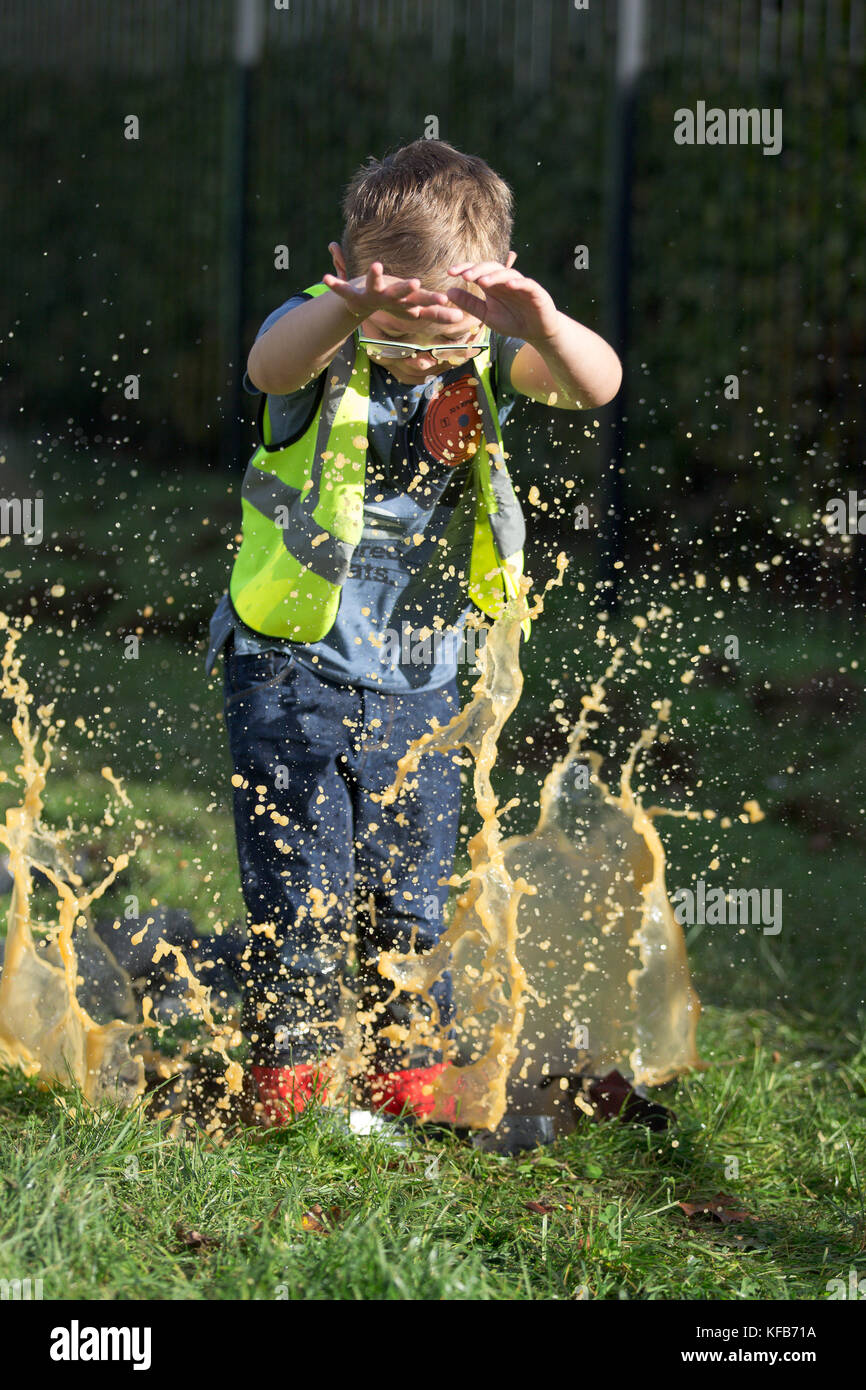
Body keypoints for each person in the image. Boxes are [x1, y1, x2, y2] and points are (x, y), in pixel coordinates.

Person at [205, 139, 621, 1126]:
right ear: (344, 270)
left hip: (425, 678)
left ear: (477, 305)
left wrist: (545, 325)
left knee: (411, 889)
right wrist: (350, 306)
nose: (418, 353)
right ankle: (292, 1073)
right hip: (287, 661)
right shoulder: (318, 331)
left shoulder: (485, 353)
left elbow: (594, 386)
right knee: (301, 879)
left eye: (441, 331)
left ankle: (404, 1070)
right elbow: (270, 363)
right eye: (397, 324)